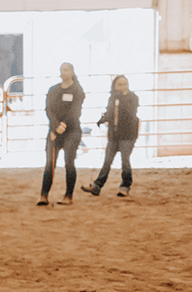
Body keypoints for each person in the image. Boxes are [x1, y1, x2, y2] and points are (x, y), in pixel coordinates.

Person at [82, 75, 139, 197]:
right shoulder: (112, 98)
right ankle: (97, 186)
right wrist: (103, 119)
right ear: (115, 86)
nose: (123, 87)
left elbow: (130, 114)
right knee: (107, 161)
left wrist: (121, 99)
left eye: (125, 84)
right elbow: (110, 113)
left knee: (125, 161)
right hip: (114, 135)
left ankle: (125, 186)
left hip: (128, 135)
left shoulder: (133, 98)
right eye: (120, 85)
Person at [40, 62, 85, 206]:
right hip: (54, 131)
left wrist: (64, 125)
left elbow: (75, 111)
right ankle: (44, 195)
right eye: (61, 70)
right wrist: (55, 127)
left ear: (72, 72)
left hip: (72, 130)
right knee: (49, 164)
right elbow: (49, 110)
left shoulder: (78, 90)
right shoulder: (53, 90)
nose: (63, 72)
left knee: (69, 162)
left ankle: (68, 195)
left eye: (66, 70)